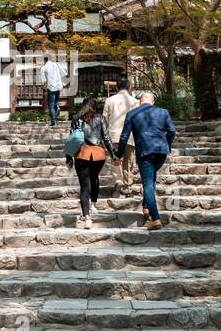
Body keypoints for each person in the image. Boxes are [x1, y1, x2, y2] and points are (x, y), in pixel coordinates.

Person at [117, 92, 176, 230]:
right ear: (153, 102)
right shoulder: (163, 112)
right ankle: (146, 206)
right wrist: (167, 145)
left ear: (139, 102)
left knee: (148, 183)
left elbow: (124, 136)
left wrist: (119, 154)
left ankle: (155, 219)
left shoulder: (132, 114)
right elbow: (172, 131)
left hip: (145, 151)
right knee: (151, 177)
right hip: (161, 151)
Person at [66, 97, 114, 229]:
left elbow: (71, 138)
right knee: (94, 179)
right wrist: (113, 154)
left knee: (84, 186)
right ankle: (93, 205)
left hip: (82, 154)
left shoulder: (76, 118)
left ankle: (86, 218)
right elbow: (107, 138)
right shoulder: (100, 118)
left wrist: (68, 158)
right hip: (98, 155)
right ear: (95, 107)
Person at [102, 75, 140, 196]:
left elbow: (104, 120)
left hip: (114, 135)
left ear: (117, 87)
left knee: (116, 160)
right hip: (129, 135)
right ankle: (128, 186)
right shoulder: (135, 102)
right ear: (129, 88)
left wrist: (103, 137)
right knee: (128, 161)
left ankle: (118, 182)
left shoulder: (109, 100)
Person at [38, 54, 67, 127]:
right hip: (58, 86)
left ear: (44, 60)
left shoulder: (44, 68)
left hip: (51, 87)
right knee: (55, 102)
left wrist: (44, 84)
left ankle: (53, 121)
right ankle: (57, 107)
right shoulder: (57, 64)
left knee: (51, 105)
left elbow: (43, 80)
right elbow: (64, 73)